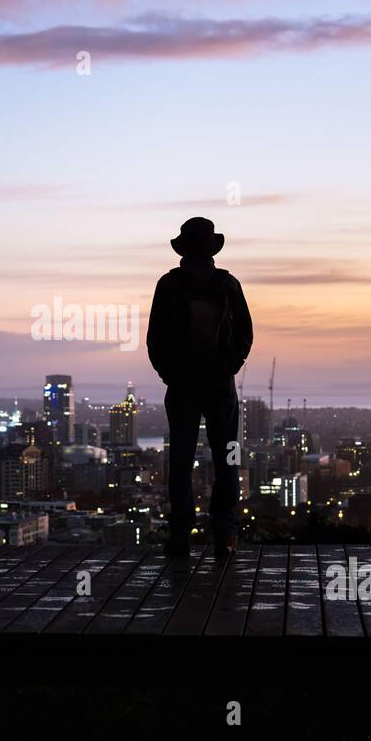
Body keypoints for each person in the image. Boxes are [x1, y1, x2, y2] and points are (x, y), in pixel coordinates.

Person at [146, 217, 253, 560]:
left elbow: (154, 338)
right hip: (219, 385)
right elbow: (245, 333)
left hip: (183, 385)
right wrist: (228, 367)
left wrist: (170, 373)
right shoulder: (227, 283)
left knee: (181, 459)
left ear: (184, 249)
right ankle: (224, 535)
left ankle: (180, 536)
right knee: (228, 460)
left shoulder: (169, 285)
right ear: (212, 249)